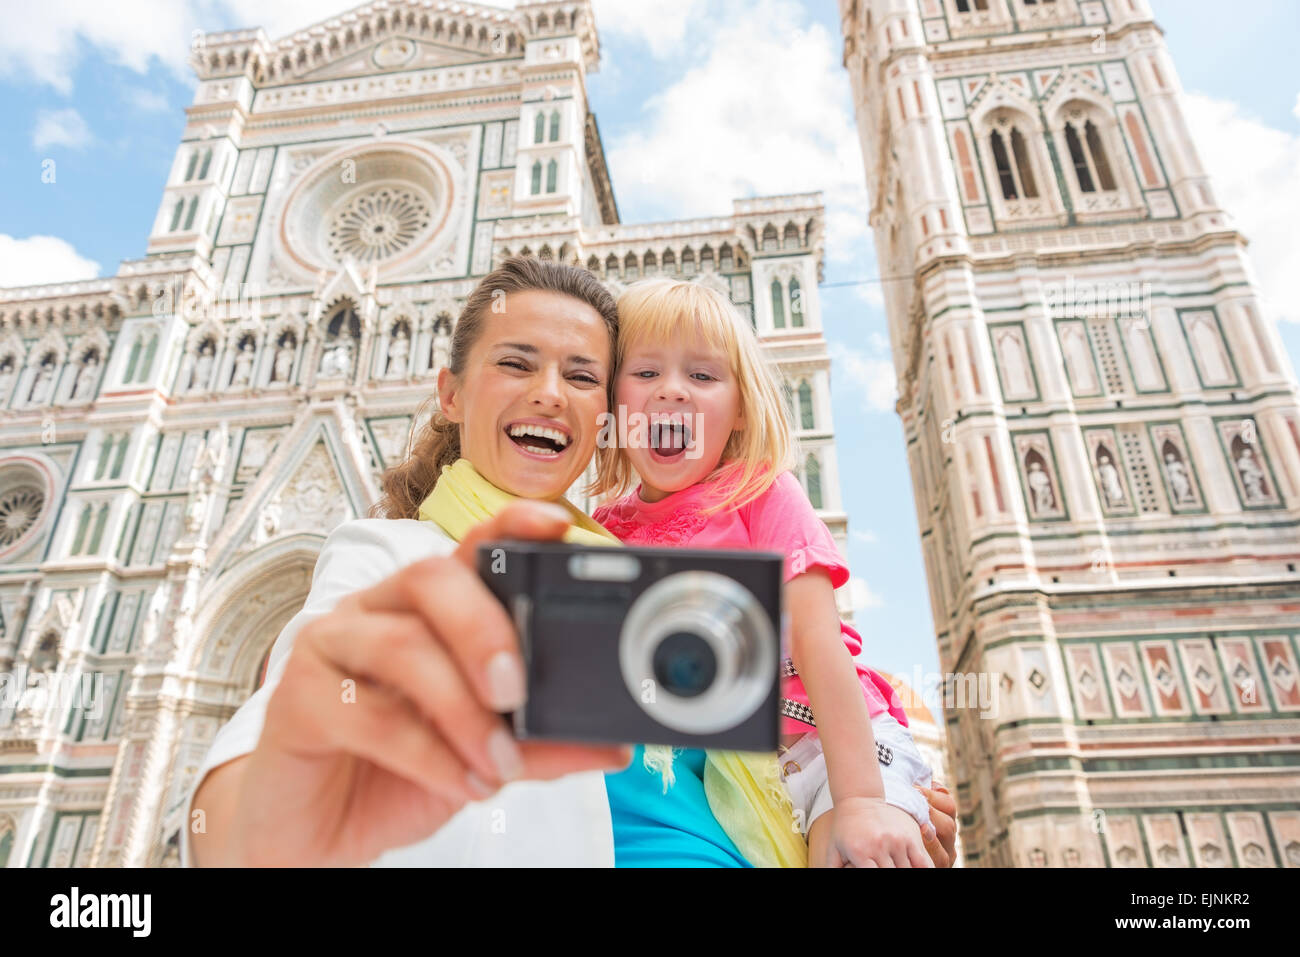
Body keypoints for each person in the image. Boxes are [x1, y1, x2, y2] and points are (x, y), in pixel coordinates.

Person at [183, 257, 957, 867]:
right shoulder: (395, 559)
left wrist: (875, 801)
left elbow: (814, 694)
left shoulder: (637, 573)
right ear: (450, 394)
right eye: (517, 363)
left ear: (603, 416)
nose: (551, 393)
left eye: (582, 374)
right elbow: (245, 819)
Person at [589, 278, 934, 867]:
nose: (672, 391)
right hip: (737, 776)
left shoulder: (761, 494)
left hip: (836, 746)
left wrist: (857, 800)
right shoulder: (605, 529)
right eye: (645, 373)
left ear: (742, 409)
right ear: (610, 404)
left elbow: (820, 644)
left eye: (701, 376)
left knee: (857, 850)